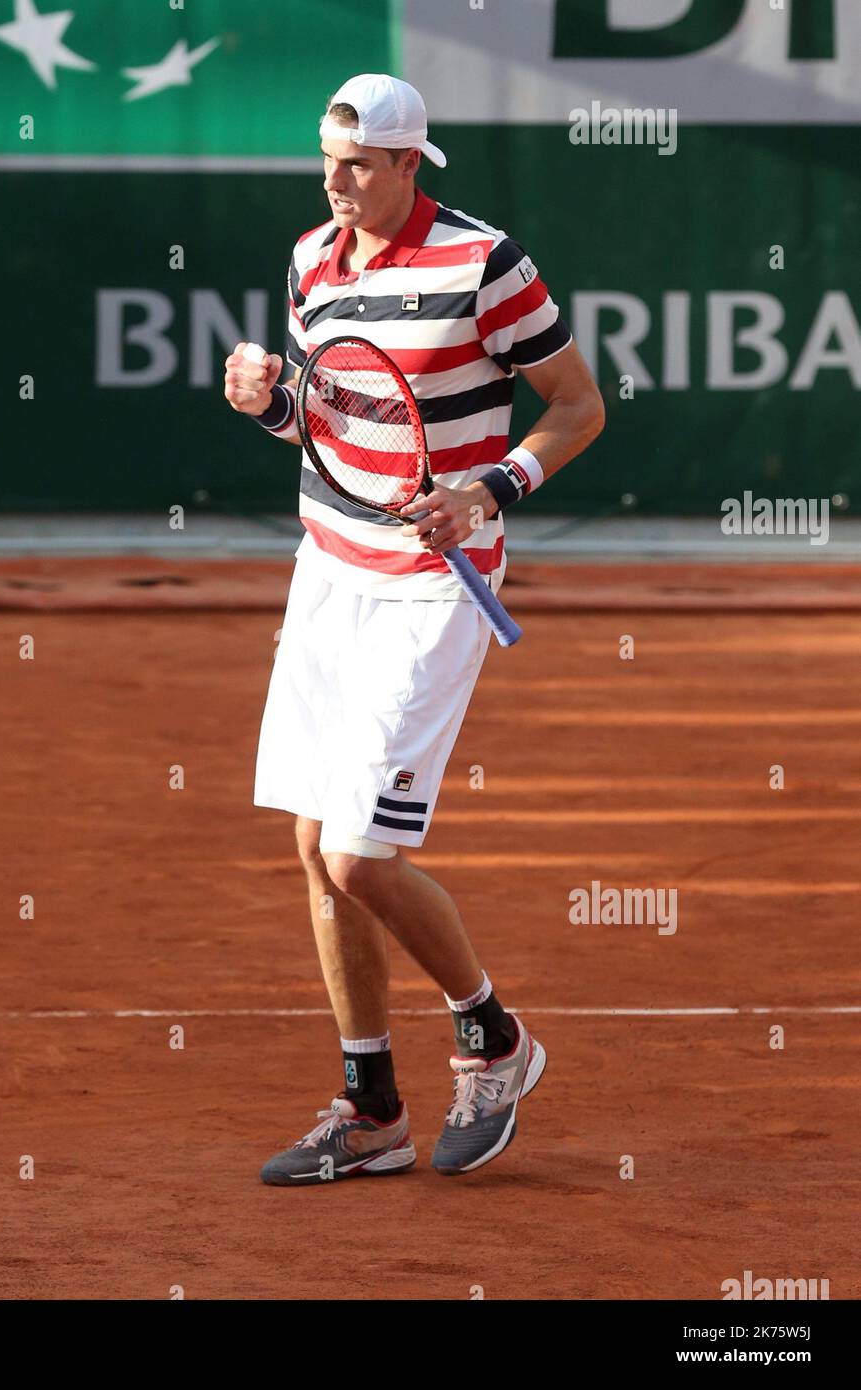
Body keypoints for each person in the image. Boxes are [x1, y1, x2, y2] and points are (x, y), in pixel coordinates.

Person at [223, 73, 604, 1183]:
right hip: (327, 573)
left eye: (357, 165)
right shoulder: (309, 261)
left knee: (359, 854)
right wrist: (266, 401)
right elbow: (328, 417)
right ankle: (371, 1104)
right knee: (311, 845)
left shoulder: (488, 264)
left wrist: (492, 487)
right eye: (326, 159)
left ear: (408, 165)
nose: (335, 182)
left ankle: (494, 1038)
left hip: (436, 586)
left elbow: (577, 407)